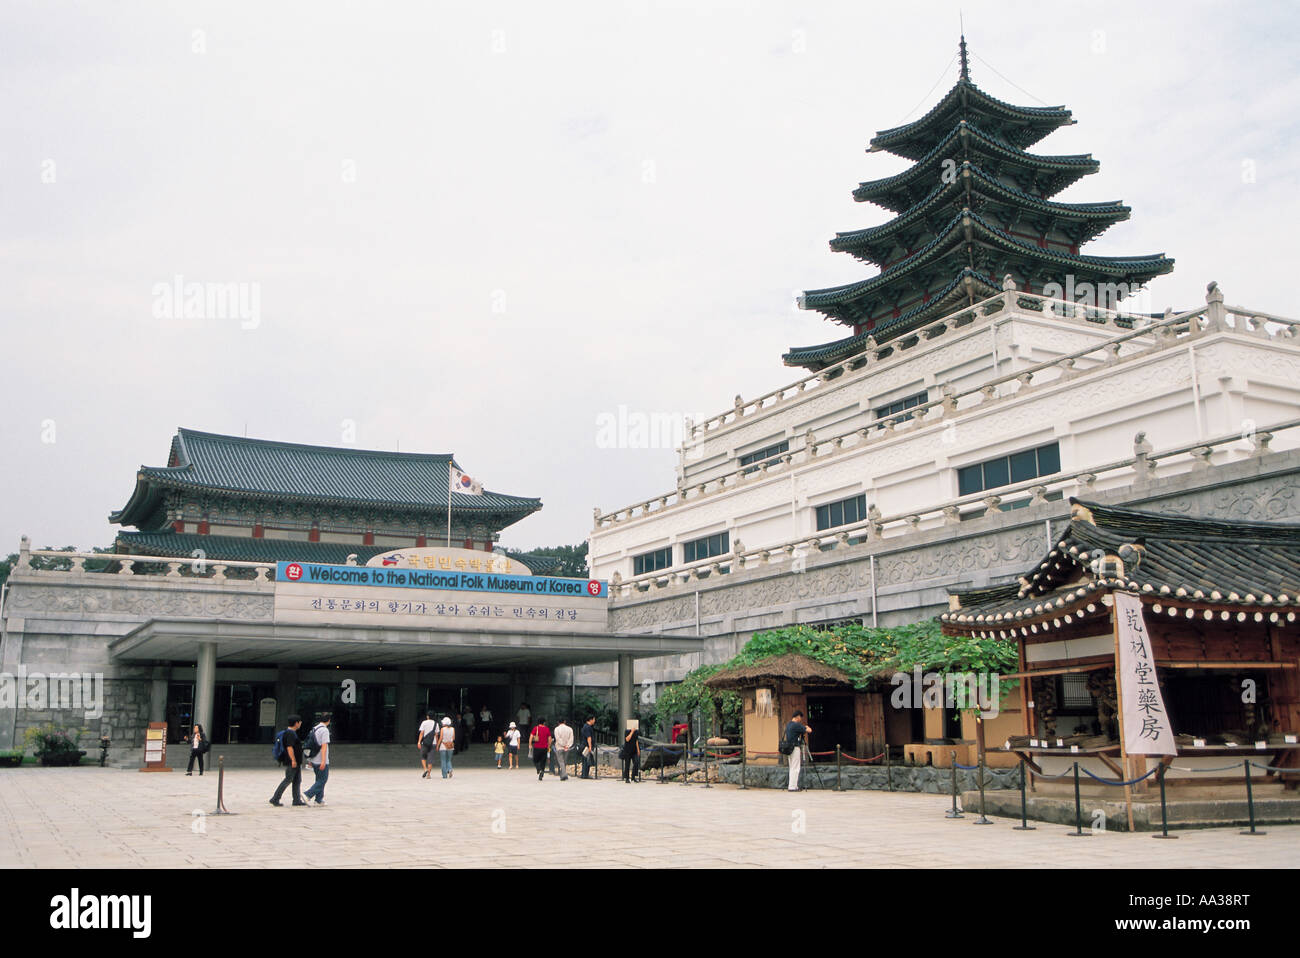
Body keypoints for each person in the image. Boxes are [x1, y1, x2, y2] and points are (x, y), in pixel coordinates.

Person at [270, 715, 307, 807]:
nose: (300, 724)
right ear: (296, 723)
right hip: (292, 761)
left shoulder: (290, 732)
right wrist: (293, 760)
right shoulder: (290, 733)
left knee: (297, 780)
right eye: (300, 722)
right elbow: (289, 747)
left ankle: (296, 800)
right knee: (288, 779)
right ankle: (275, 798)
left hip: (296, 761)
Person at [302, 712, 331, 805]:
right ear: (329, 720)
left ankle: (319, 800)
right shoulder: (325, 731)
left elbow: (311, 745)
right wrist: (323, 761)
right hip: (321, 760)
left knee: (319, 779)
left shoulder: (315, 728)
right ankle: (307, 795)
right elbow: (324, 747)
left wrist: (310, 760)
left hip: (314, 759)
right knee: (323, 780)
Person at [783, 710, 812, 792]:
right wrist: (806, 727)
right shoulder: (796, 725)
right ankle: (793, 786)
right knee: (795, 767)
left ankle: (791, 785)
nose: (800, 719)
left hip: (789, 748)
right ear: (797, 716)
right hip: (795, 748)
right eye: (800, 717)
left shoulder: (789, 724)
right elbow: (809, 730)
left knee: (792, 767)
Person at [417, 710, 438, 778]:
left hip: (425, 742)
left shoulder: (424, 722)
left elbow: (422, 733)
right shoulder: (436, 724)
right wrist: (437, 744)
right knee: (430, 759)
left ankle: (425, 769)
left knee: (423, 757)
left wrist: (419, 742)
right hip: (433, 743)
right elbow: (436, 735)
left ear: (428, 716)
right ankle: (428, 774)